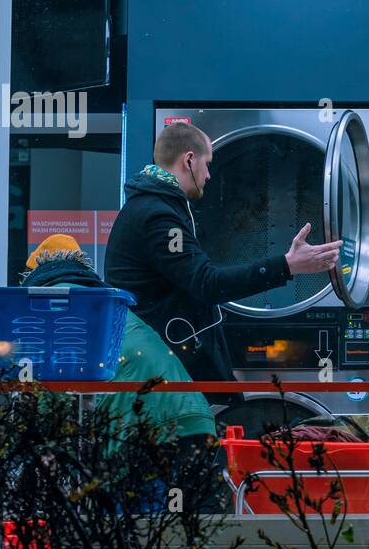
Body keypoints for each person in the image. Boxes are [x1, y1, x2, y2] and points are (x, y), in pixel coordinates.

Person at [104, 121, 342, 382]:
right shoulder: (158, 217)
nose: (208, 175)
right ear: (190, 160)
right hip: (158, 368)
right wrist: (288, 265)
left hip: (157, 359)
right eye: (207, 164)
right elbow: (208, 283)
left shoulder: (154, 205)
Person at [19, 234, 227, 511]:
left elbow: (50, 396)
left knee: (131, 534)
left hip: (141, 431)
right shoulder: (108, 304)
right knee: (168, 534)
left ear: (33, 278)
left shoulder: (51, 310)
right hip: (191, 419)